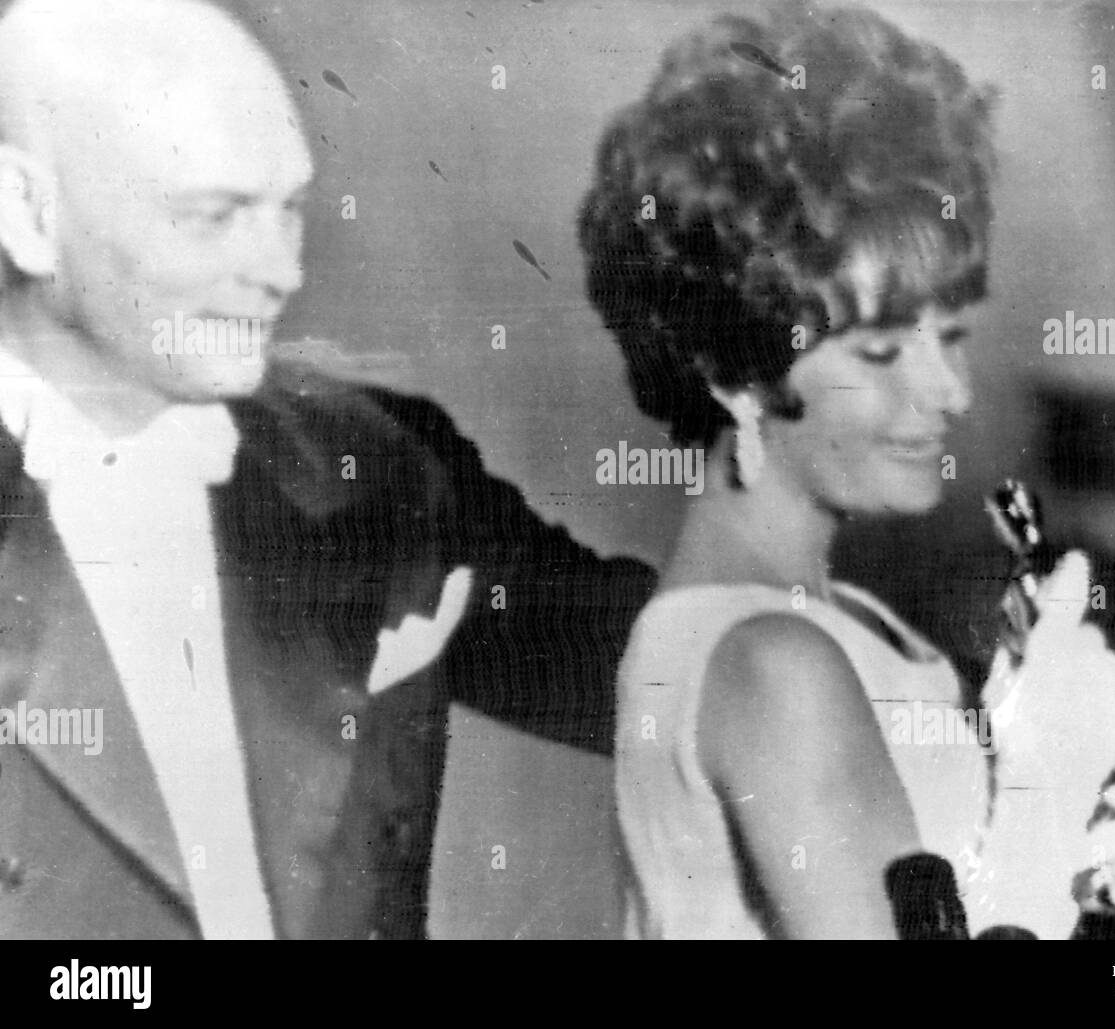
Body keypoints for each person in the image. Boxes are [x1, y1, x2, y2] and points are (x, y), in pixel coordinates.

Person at [0, 0, 652, 939]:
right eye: (212, 216)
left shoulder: (380, 465)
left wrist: (912, 683)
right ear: (28, 214)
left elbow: (658, 660)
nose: (279, 271)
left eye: (291, 211)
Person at [578, 3, 1115, 939]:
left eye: (950, 336)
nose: (950, 390)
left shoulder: (843, 624)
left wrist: (1103, 854)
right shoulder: (774, 664)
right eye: (881, 354)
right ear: (733, 372)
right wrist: (1049, 777)